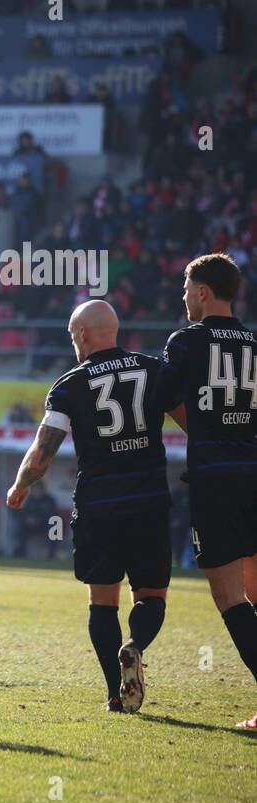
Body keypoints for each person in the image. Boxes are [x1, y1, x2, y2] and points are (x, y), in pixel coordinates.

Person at [7, 300, 179, 713]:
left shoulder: (70, 384)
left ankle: (115, 695)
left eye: (72, 336)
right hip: (149, 501)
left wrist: (21, 484)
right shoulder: (154, 369)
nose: (73, 343)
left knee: (102, 601)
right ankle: (135, 646)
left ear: (83, 335)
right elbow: (191, 420)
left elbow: (42, 452)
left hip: (99, 505)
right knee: (151, 596)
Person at [159, 254, 257, 729]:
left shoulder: (185, 341)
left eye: (186, 288)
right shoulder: (255, 342)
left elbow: (163, 396)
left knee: (230, 596)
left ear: (201, 292)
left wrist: (199, 430)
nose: (183, 297)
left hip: (216, 477)